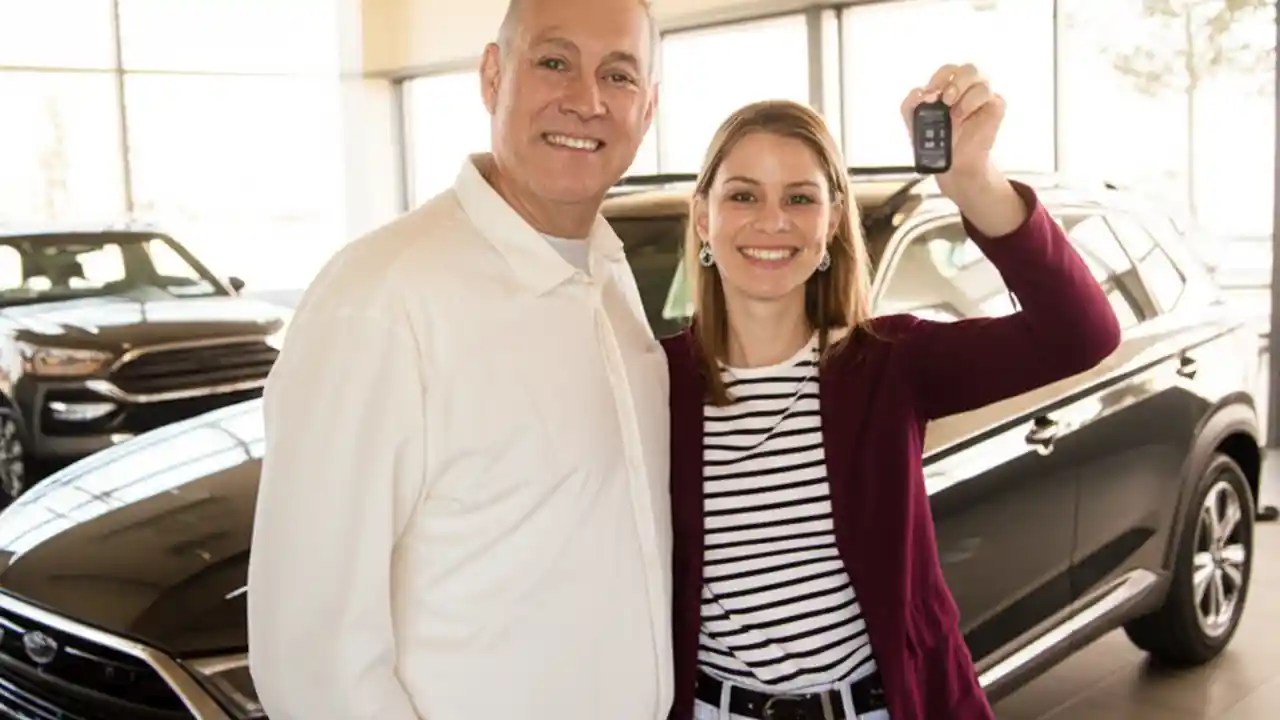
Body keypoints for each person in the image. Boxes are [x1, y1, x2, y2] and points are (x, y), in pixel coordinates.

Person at [245, 0, 673, 718]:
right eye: (555, 62)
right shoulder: (382, 296)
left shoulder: (609, 280)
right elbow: (311, 654)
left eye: (619, 75)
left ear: (648, 107)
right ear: (492, 76)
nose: (587, 100)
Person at [661, 66, 1122, 720]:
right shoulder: (654, 383)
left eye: (800, 198)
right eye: (743, 196)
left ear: (832, 222)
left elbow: (1081, 334)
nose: (772, 221)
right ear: (702, 219)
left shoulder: (888, 364)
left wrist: (974, 183)